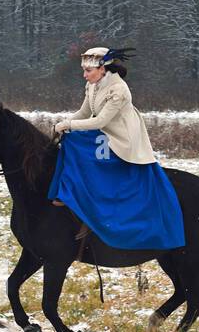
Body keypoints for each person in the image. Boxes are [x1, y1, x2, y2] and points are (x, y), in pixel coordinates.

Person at [48, 46, 185, 251]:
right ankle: (67, 194)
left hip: (122, 137)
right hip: (105, 132)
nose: (85, 76)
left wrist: (69, 126)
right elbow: (85, 112)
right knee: (73, 142)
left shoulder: (118, 89)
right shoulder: (93, 85)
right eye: (84, 71)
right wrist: (65, 122)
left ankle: (89, 200)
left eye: (89, 71)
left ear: (103, 68)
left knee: (81, 149)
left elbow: (100, 120)